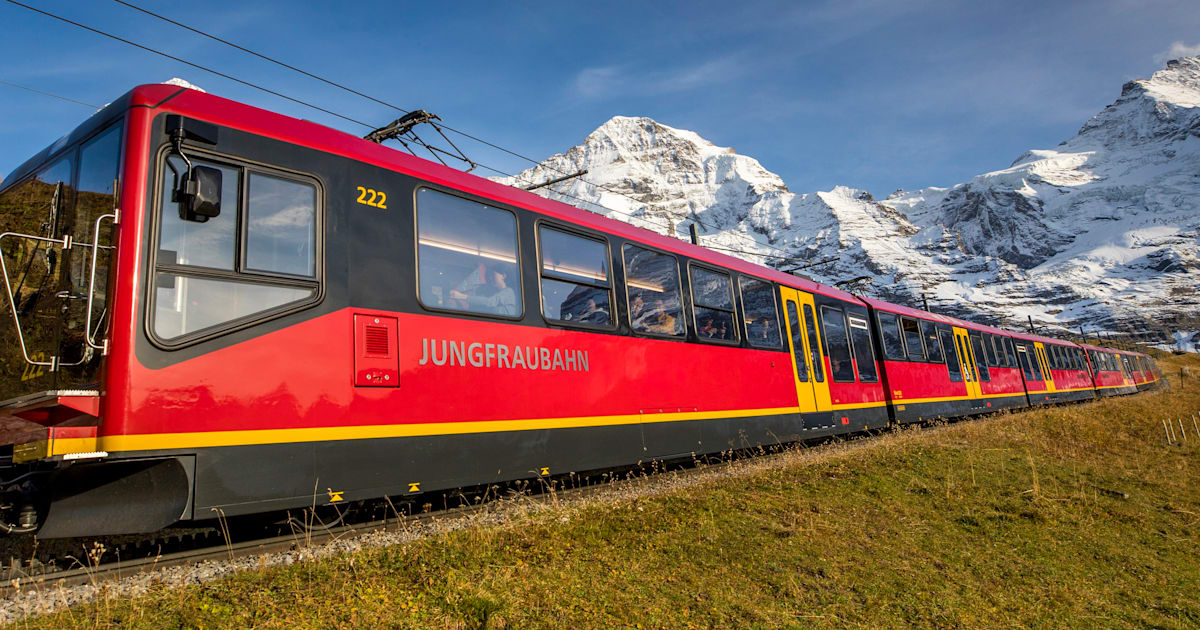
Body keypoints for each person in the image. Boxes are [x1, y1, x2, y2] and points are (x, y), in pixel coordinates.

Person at [449, 265, 517, 316]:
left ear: (503, 276)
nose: (490, 278)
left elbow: (489, 302)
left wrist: (462, 296)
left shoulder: (508, 292)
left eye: (493, 275)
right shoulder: (498, 293)